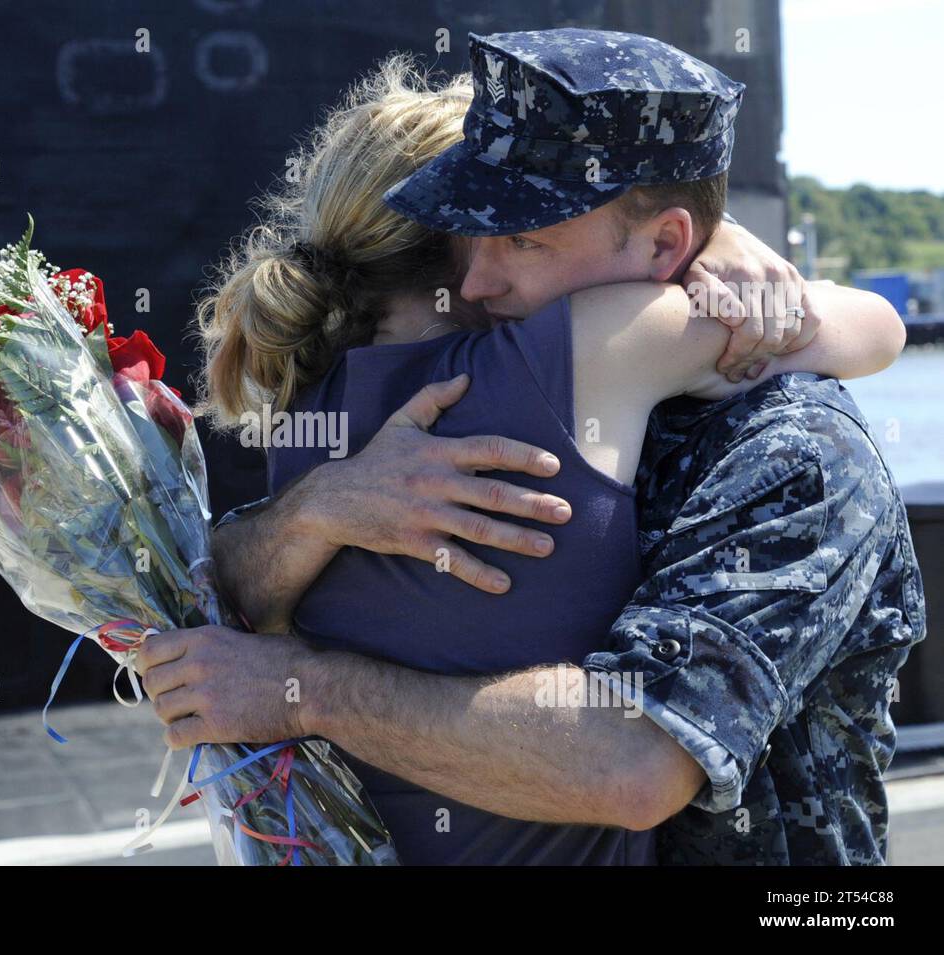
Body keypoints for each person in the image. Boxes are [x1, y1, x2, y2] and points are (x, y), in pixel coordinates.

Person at [140, 31, 925, 865]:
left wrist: (303, 686)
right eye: (468, 232)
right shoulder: (502, 391)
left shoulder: (795, 451)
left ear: (665, 243)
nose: (478, 280)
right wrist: (320, 514)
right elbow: (875, 327)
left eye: (520, 236)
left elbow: (632, 762)